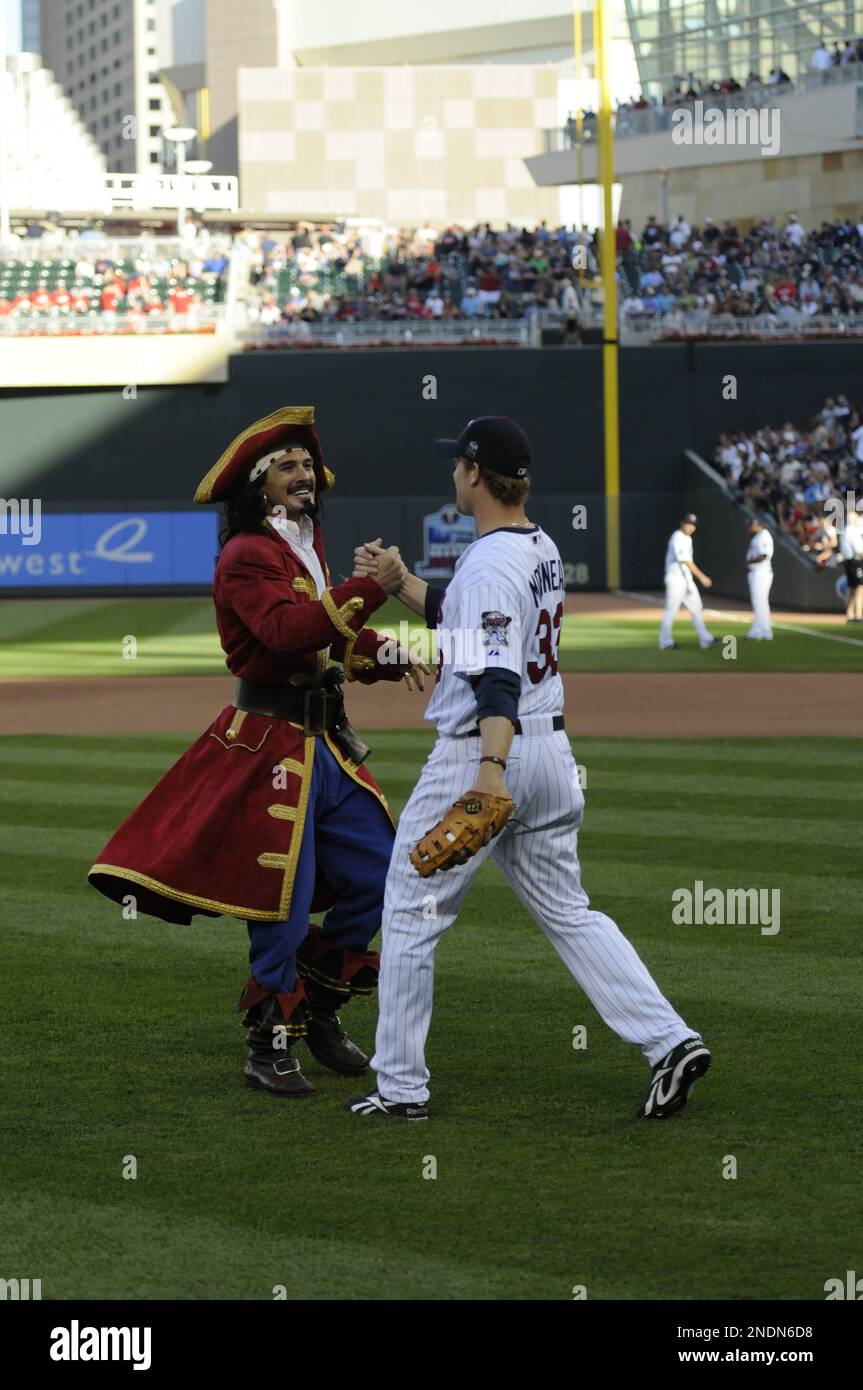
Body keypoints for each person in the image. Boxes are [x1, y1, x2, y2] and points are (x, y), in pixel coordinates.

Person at [346, 416, 711, 1122]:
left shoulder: (486, 562)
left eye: (457, 463)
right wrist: (400, 584)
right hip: (551, 755)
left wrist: (488, 771)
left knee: (411, 912)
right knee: (569, 912)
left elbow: (495, 675)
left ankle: (400, 1088)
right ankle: (669, 1041)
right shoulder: (536, 545)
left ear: (476, 475)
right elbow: (469, 619)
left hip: (485, 752)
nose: (452, 472)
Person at [89, 406, 426, 1096]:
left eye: (307, 465)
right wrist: (374, 588)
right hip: (268, 745)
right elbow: (284, 633)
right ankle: (269, 1040)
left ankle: (320, 1011)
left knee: (379, 875)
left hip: (323, 743)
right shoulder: (247, 553)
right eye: (288, 467)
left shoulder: (304, 540)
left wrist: (394, 655)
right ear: (259, 484)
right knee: (283, 896)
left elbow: (330, 639)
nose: (304, 476)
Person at [659, 513, 717, 650]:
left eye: (693, 525)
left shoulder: (687, 538)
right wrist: (702, 577)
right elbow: (686, 561)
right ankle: (665, 642)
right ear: (682, 523)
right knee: (671, 610)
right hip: (675, 579)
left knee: (697, 607)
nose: (691, 527)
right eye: (688, 523)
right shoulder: (677, 537)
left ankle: (705, 639)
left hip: (686, 579)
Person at [745, 517, 775, 640]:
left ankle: (757, 632)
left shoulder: (764, 536)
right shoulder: (758, 536)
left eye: (751, 525)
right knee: (762, 603)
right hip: (757, 572)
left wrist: (751, 561)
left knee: (759, 603)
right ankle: (766, 632)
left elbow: (764, 555)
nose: (749, 528)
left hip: (760, 572)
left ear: (757, 524)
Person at [839, 506, 863, 623]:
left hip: (849, 562)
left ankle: (850, 614)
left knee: (852, 588)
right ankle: (858, 615)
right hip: (855, 562)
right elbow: (859, 550)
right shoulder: (852, 530)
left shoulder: (845, 530)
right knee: (859, 588)